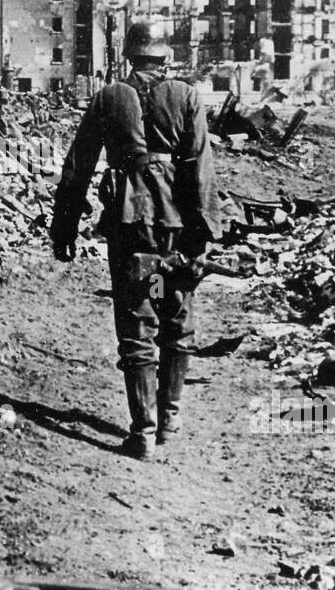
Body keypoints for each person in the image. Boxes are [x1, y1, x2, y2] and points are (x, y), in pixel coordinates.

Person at [50, 23, 220, 459]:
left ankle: (142, 432)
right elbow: (200, 168)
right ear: (165, 57)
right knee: (176, 313)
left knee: (137, 318)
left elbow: (78, 164)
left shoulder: (108, 97)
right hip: (175, 221)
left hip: (130, 222)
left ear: (130, 56)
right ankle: (170, 420)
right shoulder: (186, 95)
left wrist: (64, 227)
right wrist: (203, 234)